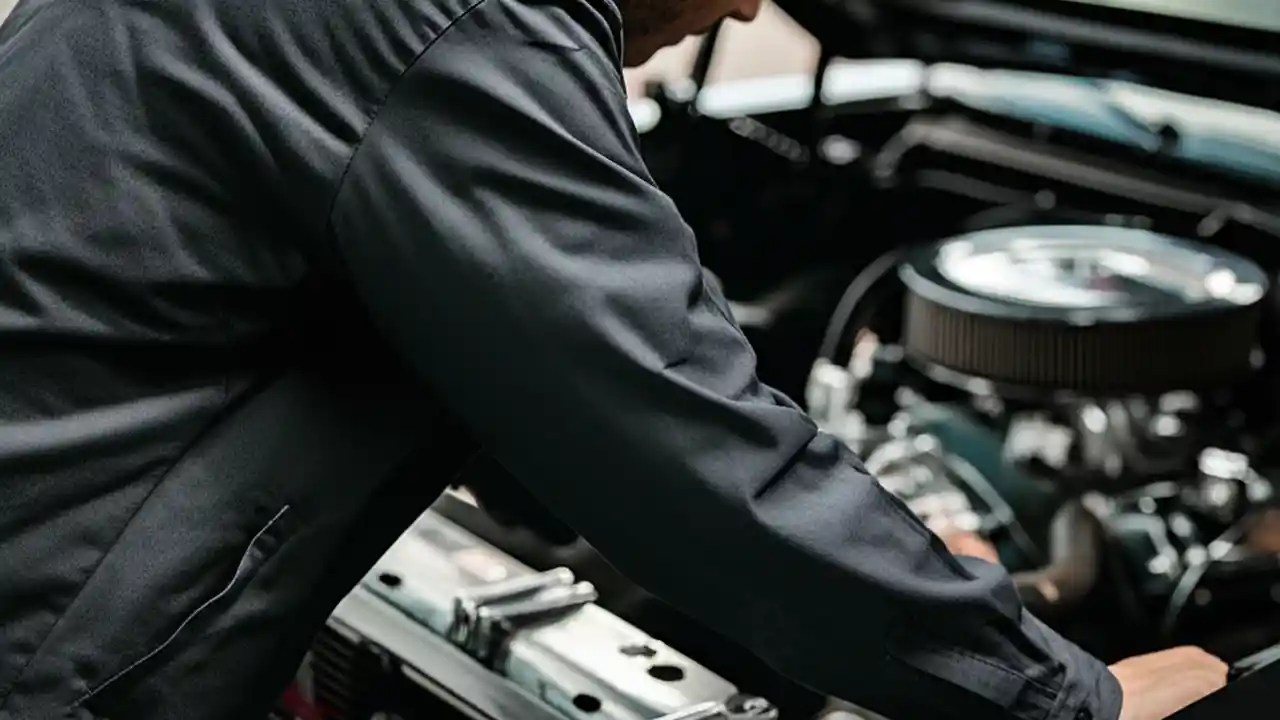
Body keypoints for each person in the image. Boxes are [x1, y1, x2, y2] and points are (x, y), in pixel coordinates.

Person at [0, 0, 1228, 717]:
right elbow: (673, 443)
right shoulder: (453, 26)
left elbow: (543, 392)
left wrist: (901, 572)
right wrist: (1058, 698)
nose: (746, 8)